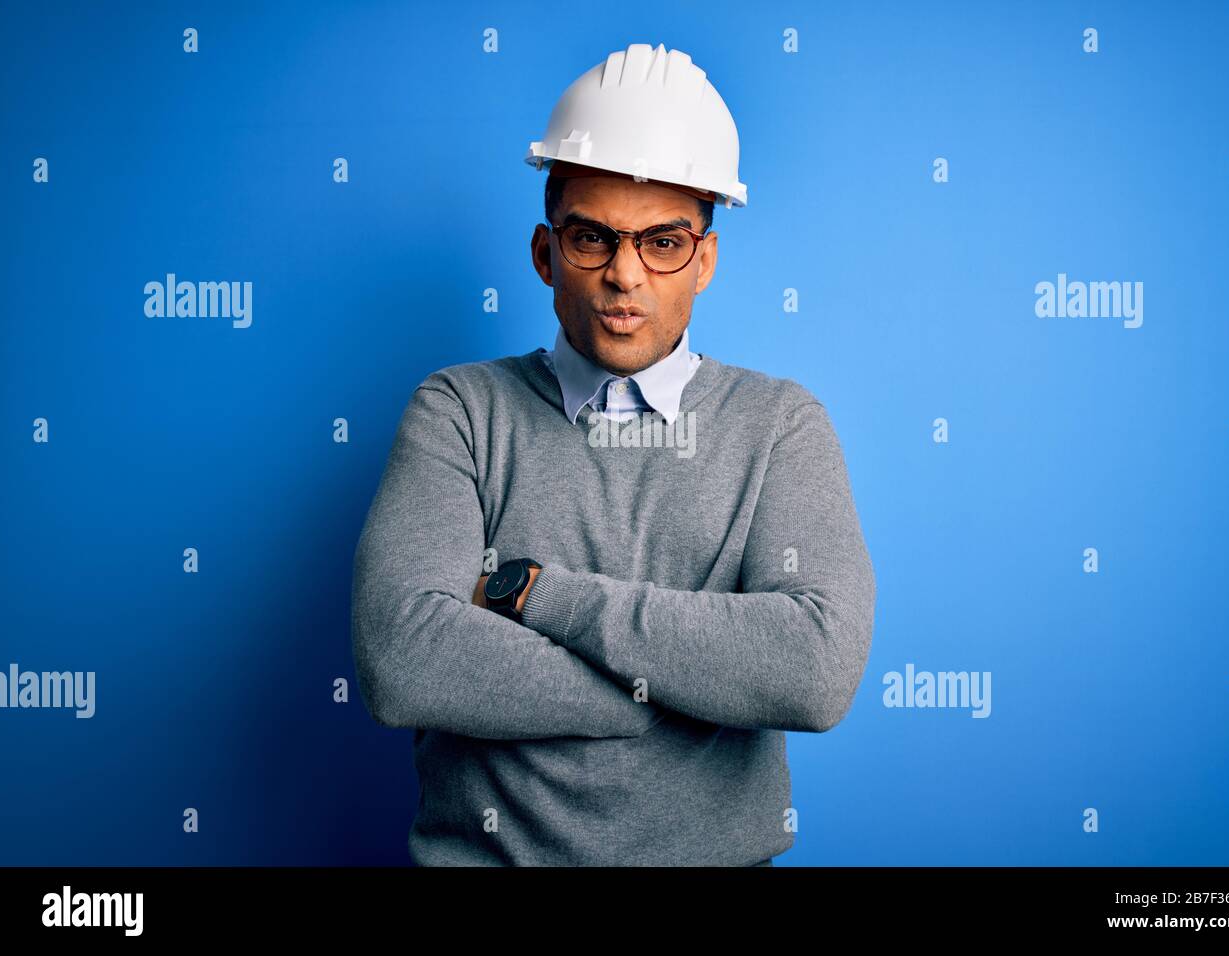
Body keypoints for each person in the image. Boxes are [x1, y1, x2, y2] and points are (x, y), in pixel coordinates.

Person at [351, 42, 877, 866]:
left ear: (704, 261)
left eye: (662, 242)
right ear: (545, 254)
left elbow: (813, 669)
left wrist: (537, 593)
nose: (624, 276)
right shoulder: (459, 412)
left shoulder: (780, 426)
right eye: (592, 238)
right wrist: (684, 687)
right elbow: (404, 658)